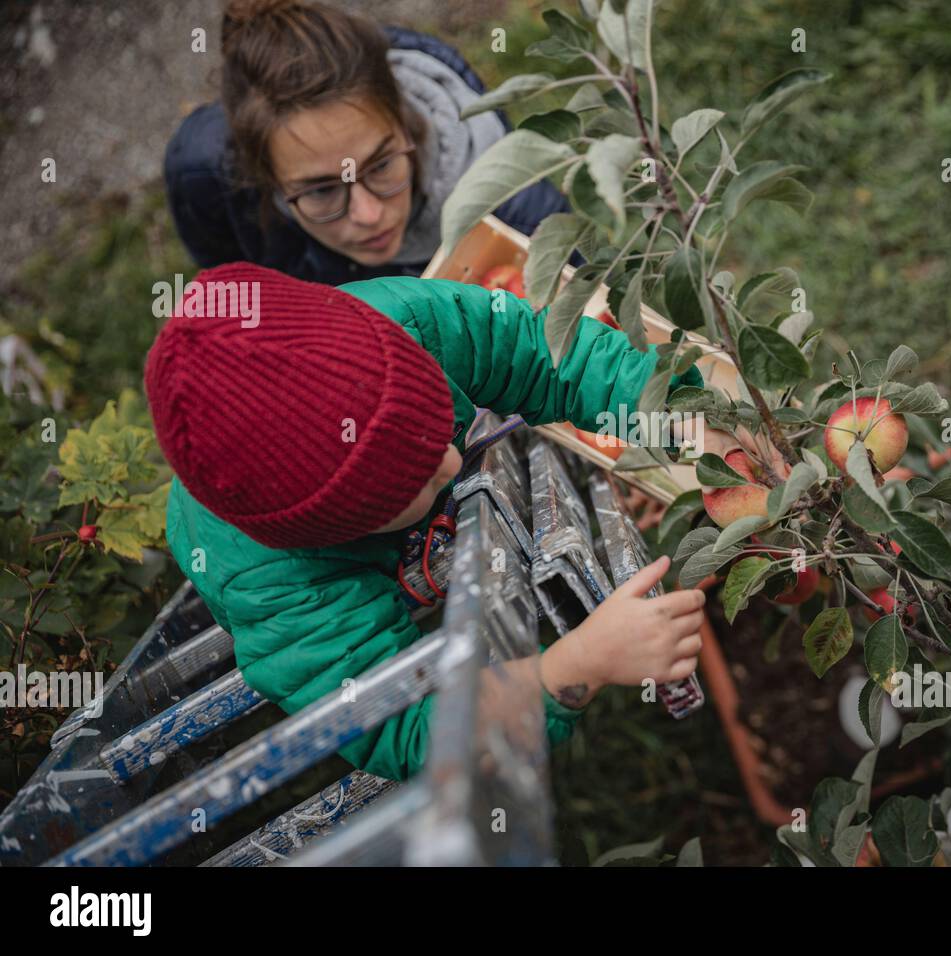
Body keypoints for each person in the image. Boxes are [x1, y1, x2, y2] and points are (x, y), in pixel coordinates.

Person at [144, 262, 716, 782]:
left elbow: (542, 353)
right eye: (407, 486)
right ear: (327, 534)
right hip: (333, 578)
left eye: (435, 421)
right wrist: (573, 665)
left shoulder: (405, 320)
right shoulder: (273, 579)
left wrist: (681, 415)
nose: (446, 460)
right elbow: (404, 724)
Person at [164, 0, 566, 284]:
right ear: (265, 178)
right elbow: (231, 284)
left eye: (381, 165)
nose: (370, 215)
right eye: (321, 190)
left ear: (406, 122)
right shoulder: (205, 175)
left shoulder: (509, 202)